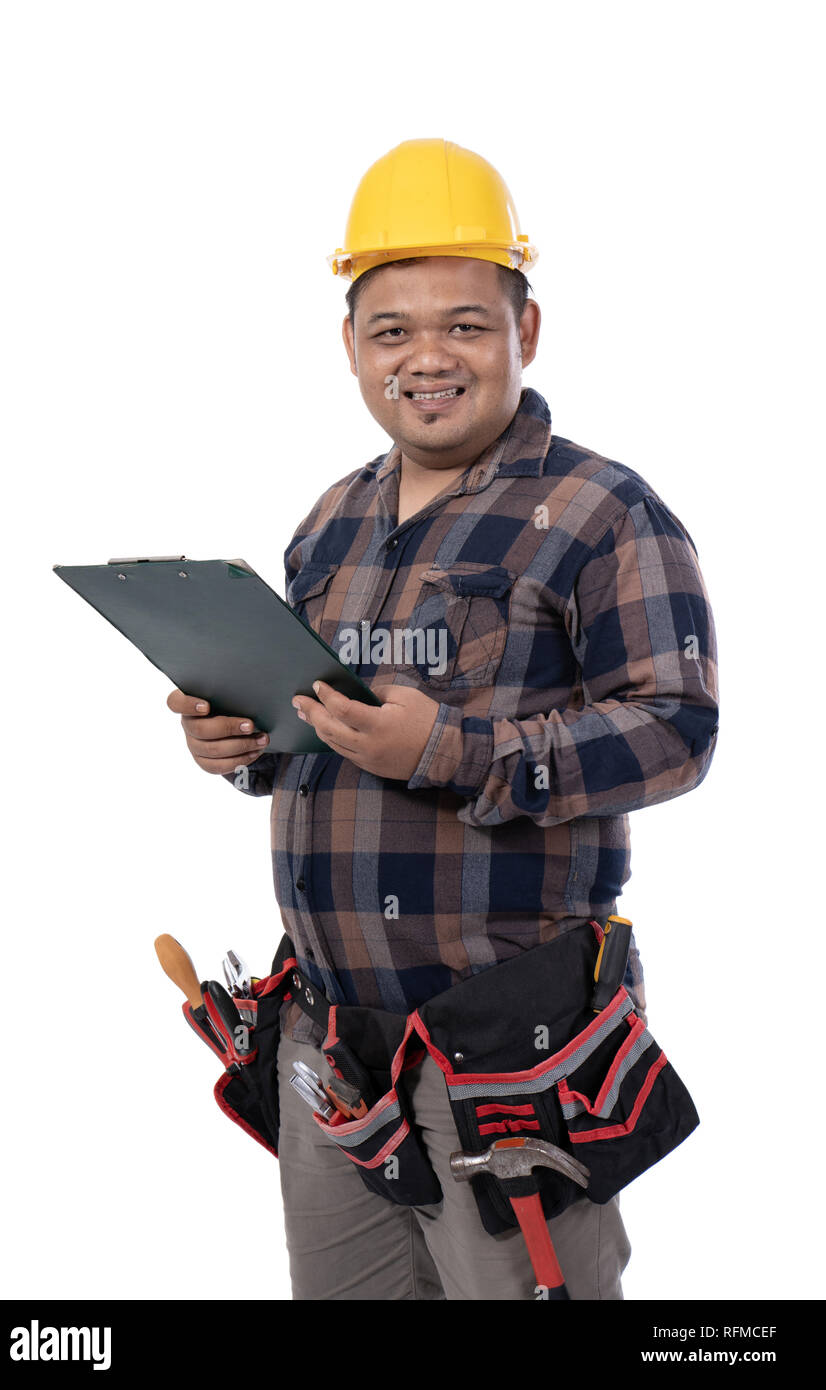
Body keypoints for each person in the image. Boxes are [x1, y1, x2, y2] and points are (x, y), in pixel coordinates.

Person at [166, 139, 719, 1300]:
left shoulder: (600, 509)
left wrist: (454, 751)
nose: (426, 358)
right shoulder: (330, 520)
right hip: (330, 1044)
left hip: (506, 1048)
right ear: (351, 348)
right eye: (391, 331)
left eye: (464, 325)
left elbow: (676, 731)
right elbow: (314, 726)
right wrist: (240, 744)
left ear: (525, 331)